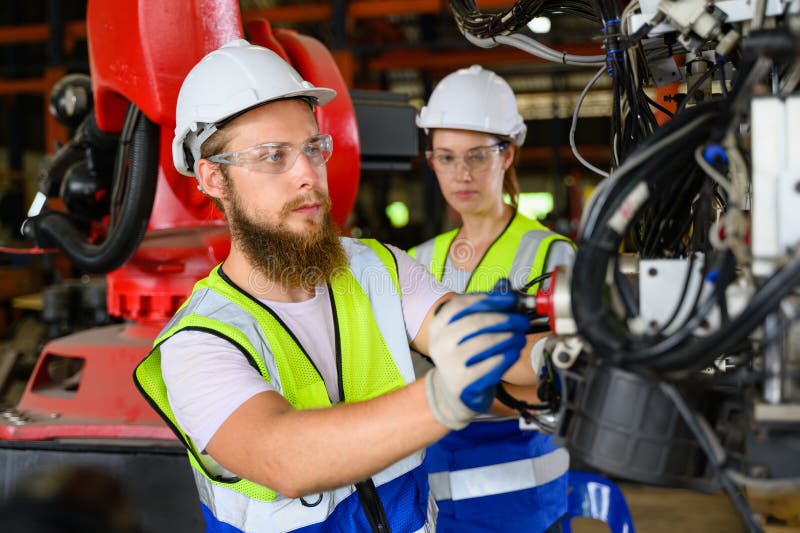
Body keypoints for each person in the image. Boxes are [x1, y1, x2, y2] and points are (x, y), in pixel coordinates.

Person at [133, 40, 539, 533]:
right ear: (214, 178)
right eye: (272, 156)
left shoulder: (378, 269)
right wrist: (445, 394)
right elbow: (285, 459)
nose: (308, 173)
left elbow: (504, 355)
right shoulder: (200, 341)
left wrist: (563, 352)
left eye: (312, 148)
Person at [409, 65, 575, 533]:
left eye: (477, 156)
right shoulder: (417, 262)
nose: (461, 173)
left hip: (524, 504)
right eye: (446, 157)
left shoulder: (551, 255)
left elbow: (560, 385)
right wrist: (500, 373)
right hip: (434, 501)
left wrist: (441, 381)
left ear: (508, 154)